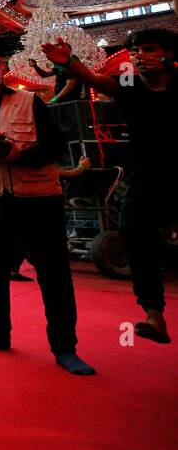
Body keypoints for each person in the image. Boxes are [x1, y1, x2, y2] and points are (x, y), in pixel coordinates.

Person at [0, 53, 95, 374]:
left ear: (5, 68)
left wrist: (17, 154)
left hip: (38, 198)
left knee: (54, 274)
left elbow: (55, 146)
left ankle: (65, 347)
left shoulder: (30, 100)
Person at [41, 28, 178, 344]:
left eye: (148, 49)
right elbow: (93, 79)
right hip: (146, 178)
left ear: (169, 54)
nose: (139, 55)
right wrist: (68, 62)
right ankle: (153, 314)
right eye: (135, 51)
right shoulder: (131, 88)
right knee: (133, 231)